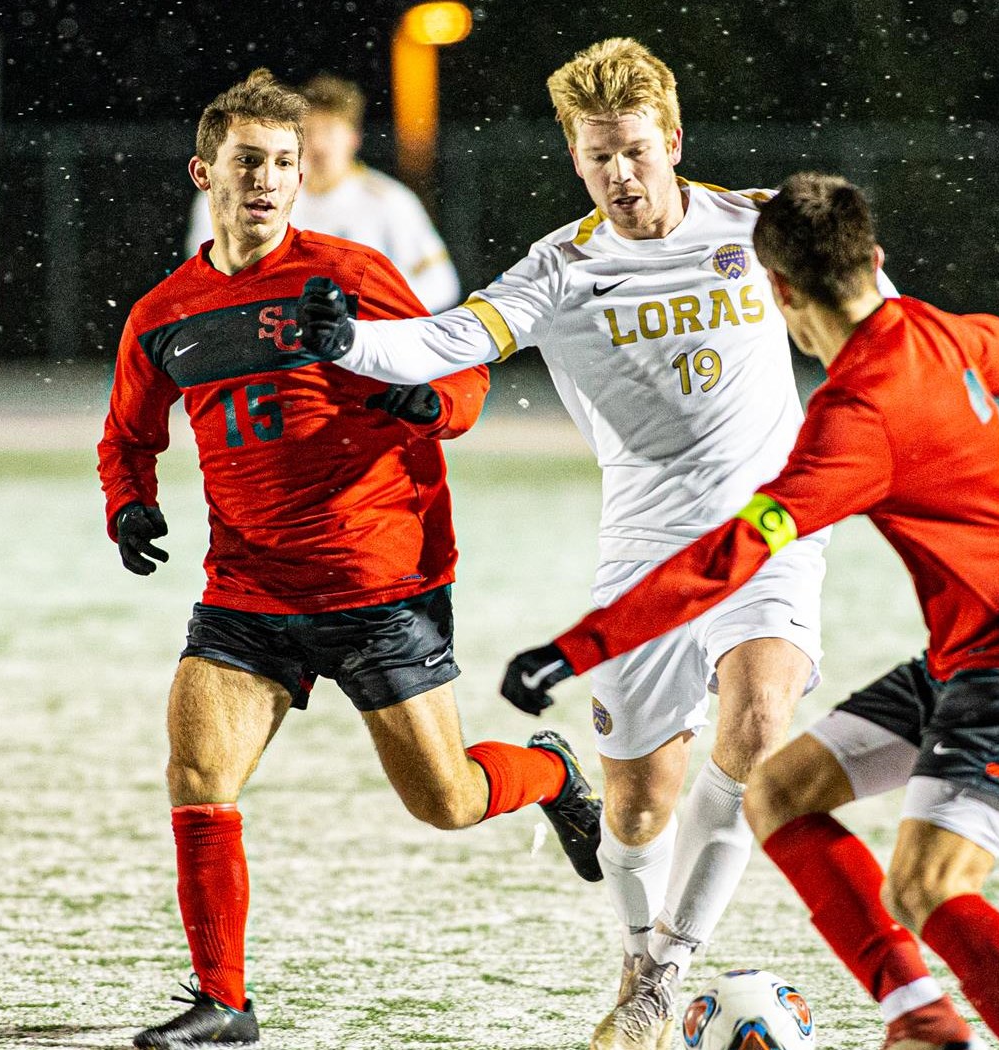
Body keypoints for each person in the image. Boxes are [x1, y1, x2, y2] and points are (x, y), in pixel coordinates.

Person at [295, 38, 895, 1050]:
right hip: (646, 554)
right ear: (574, 158)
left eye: (630, 151)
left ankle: (662, 977)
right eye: (594, 157)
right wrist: (345, 341)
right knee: (638, 802)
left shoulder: (754, 224)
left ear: (670, 138)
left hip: (768, 531)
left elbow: (866, 301)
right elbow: (449, 338)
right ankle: (634, 946)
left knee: (755, 726)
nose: (617, 175)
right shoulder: (563, 268)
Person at [501, 173, 999, 1050]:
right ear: (875, 260)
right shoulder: (939, 333)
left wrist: (577, 647)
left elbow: (727, 559)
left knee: (930, 886)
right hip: (979, 645)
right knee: (779, 792)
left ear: (780, 292)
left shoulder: (853, 419)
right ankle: (919, 1017)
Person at [100, 69, 602, 1050]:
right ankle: (223, 1003)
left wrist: (429, 404)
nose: (269, 181)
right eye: (248, 162)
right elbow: (127, 434)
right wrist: (130, 506)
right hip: (246, 593)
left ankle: (548, 777)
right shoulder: (164, 311)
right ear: (204, 171)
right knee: (198, 776)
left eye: (284, 164)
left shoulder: (347, 272)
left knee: (447, 799)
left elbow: (458, 368)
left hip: (381, 587)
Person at [185, 72, 461, 311]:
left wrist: (364, 313)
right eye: (309, 132)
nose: (318, 144)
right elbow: (204, 273)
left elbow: (440, 284)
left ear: (354, 139)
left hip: (359, 352)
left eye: (329, 131)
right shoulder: (254, 192)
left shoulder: (388, 201)